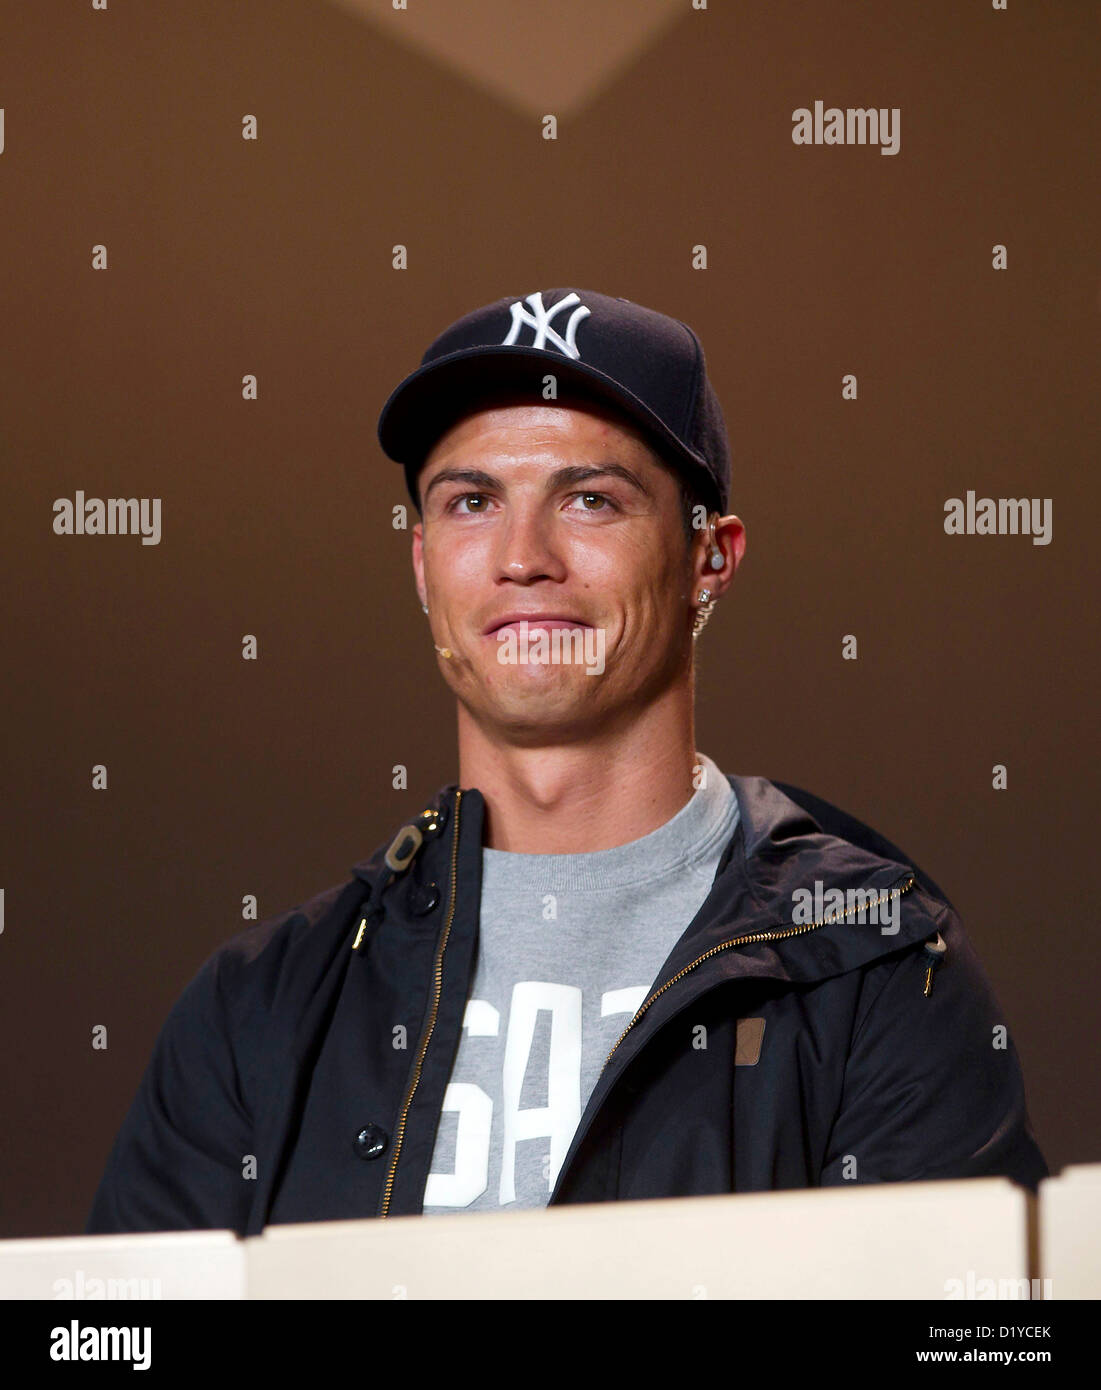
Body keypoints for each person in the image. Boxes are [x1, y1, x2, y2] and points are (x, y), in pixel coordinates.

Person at [86, 287, 1047, 1234]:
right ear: (424, 565)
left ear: (710, 558)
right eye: (471, 501)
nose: (522, 556)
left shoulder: (872, 962)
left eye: (590, 499)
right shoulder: (257, 1007)